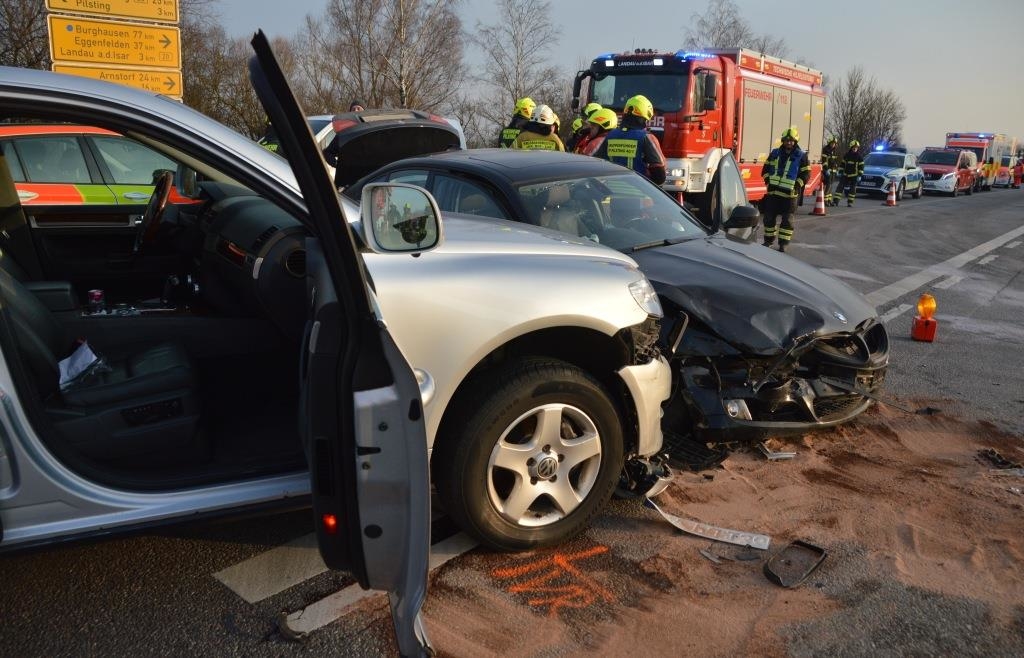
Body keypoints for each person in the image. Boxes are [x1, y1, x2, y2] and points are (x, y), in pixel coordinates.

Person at [591, 94, 666, 184]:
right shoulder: (647, 137)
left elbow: (596, 167)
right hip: (638, 194)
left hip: (613, 192)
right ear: (645, 118)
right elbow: (659, 177)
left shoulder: (610, 136)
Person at [760, 126, 810, 252]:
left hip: (790, 195)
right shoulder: (775, 153)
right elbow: (765, 170)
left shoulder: (801, 156)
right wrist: (768, 182)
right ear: (783, 141)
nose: (789, 143)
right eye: (787, 140)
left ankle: (783, 244)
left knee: (787, 221)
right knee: (768, 218)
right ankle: (768, 241)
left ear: (795, 142)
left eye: (791, 141)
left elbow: (806, 175)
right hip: (774, 193)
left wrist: (797, 186)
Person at [840, 139, 865, 207]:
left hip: (854, 175)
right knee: (840, 187)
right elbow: (842, 164)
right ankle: (835, 201)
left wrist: (859, 175)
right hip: (845, 175)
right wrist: (840, 171)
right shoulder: (846, 155)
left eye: (856, 147)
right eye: (854, 147)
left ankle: (850, 202)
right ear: (851, 147)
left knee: (853, 189)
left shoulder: (859, 157)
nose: (855, 148)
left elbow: (861, 167)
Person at [821, 135, 841, 206]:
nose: (833, 145)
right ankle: (825, 200)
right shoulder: (825, 150)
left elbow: (836, 161)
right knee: (828, 185)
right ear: (829, 143)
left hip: (834, 171)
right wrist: (826, 169)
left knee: (831, 185)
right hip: (828, 170)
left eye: (834, 143)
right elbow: (824, 161)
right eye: (832, 143)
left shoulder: (835, 151)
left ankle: (829, 200)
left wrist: (837, 168)